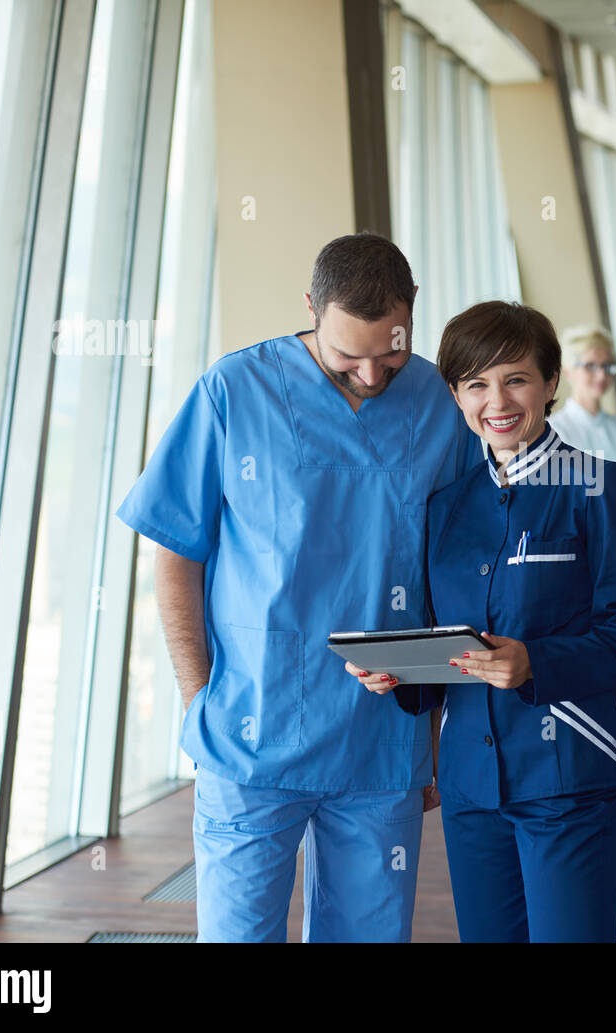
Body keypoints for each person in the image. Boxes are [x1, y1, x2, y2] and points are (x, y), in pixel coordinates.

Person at [116, 233, 481, 942]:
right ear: (310, 309)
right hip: (251, 732)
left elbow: (457, 575)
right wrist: (200, 701)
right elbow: (175, 554)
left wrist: (436, 731)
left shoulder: (442, 405)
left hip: (382, 743)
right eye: (349, 356)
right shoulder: (233, 390)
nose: (374, 374)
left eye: (392, 351)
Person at [350, 301, 616, 943]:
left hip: (567, 770)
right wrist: (401, 674)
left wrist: (537, 662)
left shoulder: (601, 489)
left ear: (551, 383)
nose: (497, 400)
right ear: (456, 396)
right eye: (476, 384)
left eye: (516, 378)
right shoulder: (446, 506)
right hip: (471, 781)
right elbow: (445, 638)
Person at [548, 325, 616, 512]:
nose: (601, 375)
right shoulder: (554, 430)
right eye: (590, 366)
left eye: (607, 366)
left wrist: (597, 482)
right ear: (568, 372)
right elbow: (567, 499)